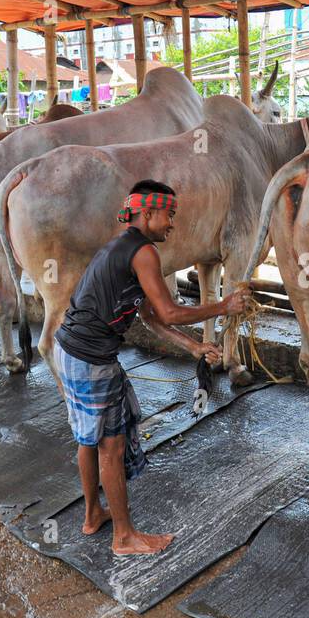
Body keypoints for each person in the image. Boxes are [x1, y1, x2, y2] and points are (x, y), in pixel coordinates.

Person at [53, 179, 246, 555]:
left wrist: (193, 347)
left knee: (87, 438)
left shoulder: (121, 247)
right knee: (111, 445)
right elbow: (171, 311)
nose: (172, 223)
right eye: (169, 214)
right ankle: (124, 537)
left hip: (71, 352)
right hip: (92, 359)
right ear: (147, 212)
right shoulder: (142, 253)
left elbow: (152, 318)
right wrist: (224, 306)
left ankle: (94, 514)